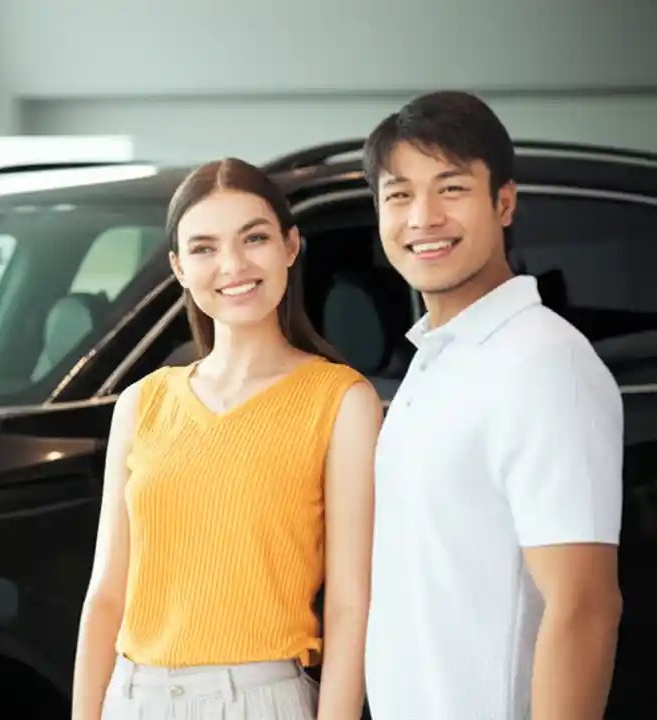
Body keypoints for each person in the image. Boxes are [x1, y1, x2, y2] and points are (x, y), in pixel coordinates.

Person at [71, 157, 383, 720]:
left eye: (254, 238)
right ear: (179, 267)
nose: (233, 265)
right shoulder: (142, 402)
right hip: (133, 698)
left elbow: (349, 606)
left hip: (258, 700)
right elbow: (106, 596)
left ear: (291, 245)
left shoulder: (342, 401)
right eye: (204, 248)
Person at [362, 90, 624, 719]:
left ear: (503, 203)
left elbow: (584, 606)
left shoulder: (543, 362)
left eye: (451, 188)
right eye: (399, 194)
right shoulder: (437, 357)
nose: (423, 217)